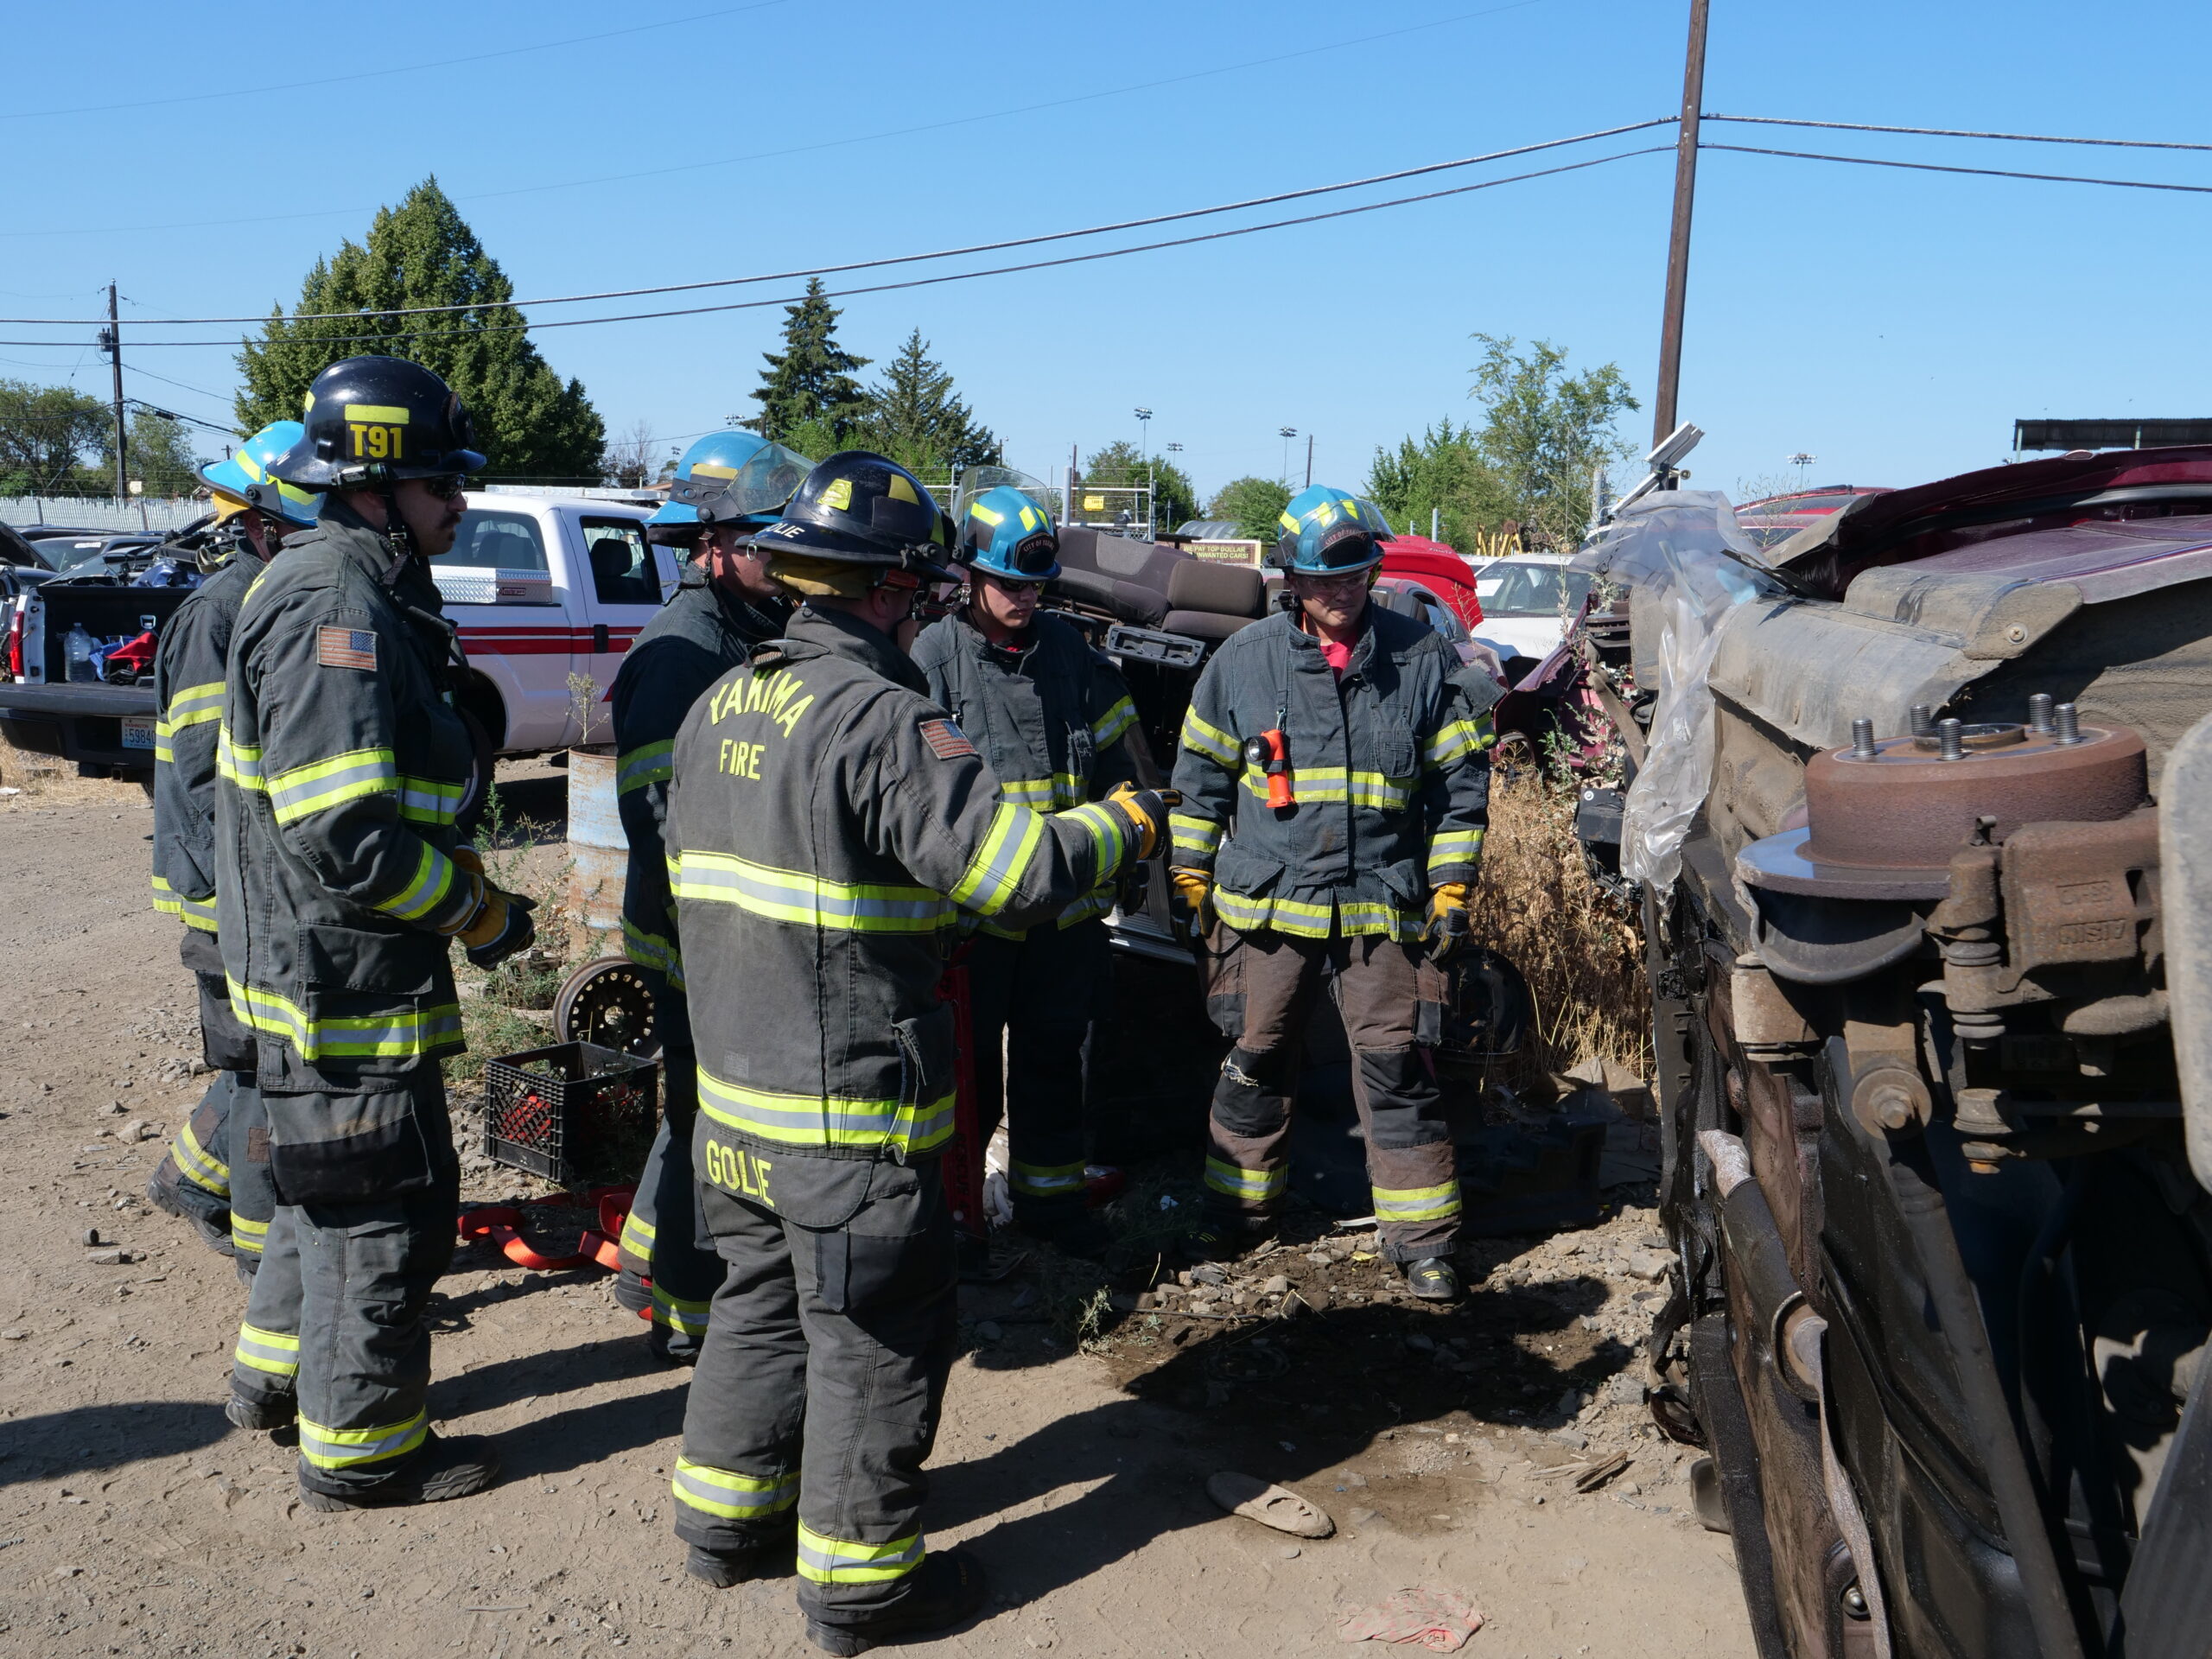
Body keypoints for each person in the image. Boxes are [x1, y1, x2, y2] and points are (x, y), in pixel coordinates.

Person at [663, 450, 1172, 1651]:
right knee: (874, 1340)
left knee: (757, 1310)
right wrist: (1129, 818)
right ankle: (861, 1589)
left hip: (731, 1107)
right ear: (897, 588)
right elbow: (1015, 873)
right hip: (841, 1114)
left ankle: (725, 1527)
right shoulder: (881, 718)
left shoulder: (721, 702)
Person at [216, 355, 537, 1506]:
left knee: (318, 1198)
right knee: (382, 1215)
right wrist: (478, 910)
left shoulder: (361, 585)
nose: (462, 503)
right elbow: (344, 835)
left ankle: (273, 1386)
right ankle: (365, 1455)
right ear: (377, 484)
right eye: (444, 483)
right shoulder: (333, 606)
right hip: (341, 989)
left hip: (328, 976)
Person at [1166, 485, 1496, 1302]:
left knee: (1395, 1068)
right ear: (1292, 581)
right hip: (1269, 906)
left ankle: (1423, 1242)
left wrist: (1451, 888)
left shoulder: (1421, 659)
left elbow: (1461, 790)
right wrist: (1189, 874)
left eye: (1354, 576)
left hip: (1381, 906)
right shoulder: (1243, 663)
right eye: (1322, 580)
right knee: (1255, 1059)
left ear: (1374, 571)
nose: (1340, 593)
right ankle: (1240, 1215)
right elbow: (1200, 782)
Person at [608, 429, 810, 1363]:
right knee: (707, 1125)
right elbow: (660, 825)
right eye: (771, 541)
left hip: (723, 932)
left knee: (694, 1113)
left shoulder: (751, 633)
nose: (787, 560)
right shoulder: (679, 657)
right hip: (696, 938)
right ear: (715, 545)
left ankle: (648, 1270)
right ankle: (687, 1319)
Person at [911, 482, 1139, 1256]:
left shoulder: (1068, 650)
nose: (1023, 598)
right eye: (1008, 583)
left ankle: (1052, 1212)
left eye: (1035, 585)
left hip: (1066, 916)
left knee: (1053, 1069)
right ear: (969, 576)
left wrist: (1139, 835)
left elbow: (1118, 751)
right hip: (972, 928)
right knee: (965, 1081)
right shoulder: (932, 660)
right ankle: (956, 1222)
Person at [146, 423, 321, 1285]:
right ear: (263, 521)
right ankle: (266, 1269)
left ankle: (188, 1177)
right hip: (229, 894)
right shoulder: (225, 611)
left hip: (248, 888)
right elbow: (207, 775)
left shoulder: (274, 596)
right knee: (262, 1069)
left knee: (257, 1060)